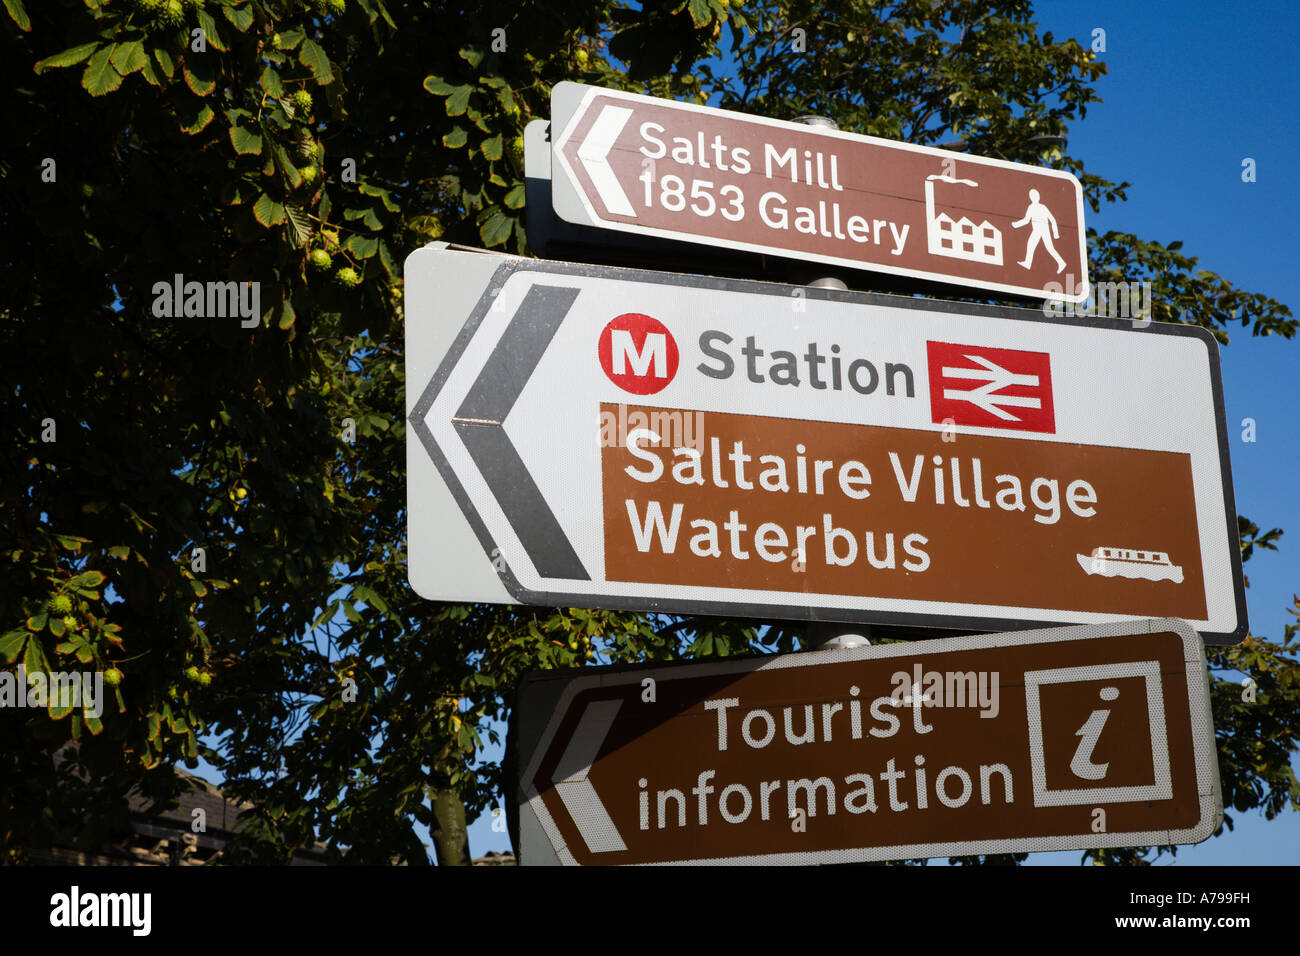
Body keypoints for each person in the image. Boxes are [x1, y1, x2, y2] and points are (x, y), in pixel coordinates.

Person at [1011, 188, 1066, 273]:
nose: (1034, 197)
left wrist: (1056, 233)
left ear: (1038, 197)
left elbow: (1052, 219)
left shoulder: (1042, 207)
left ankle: (1061, 263)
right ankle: (1028, 263)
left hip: (1043, 229)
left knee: (1048, 248)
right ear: (1030, 198)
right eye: (1032, 196)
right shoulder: (1031, 207)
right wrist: (1016, 224)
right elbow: (1026, 220)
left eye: (1035, 195)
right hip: (1037, 230)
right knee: (1032, 245)